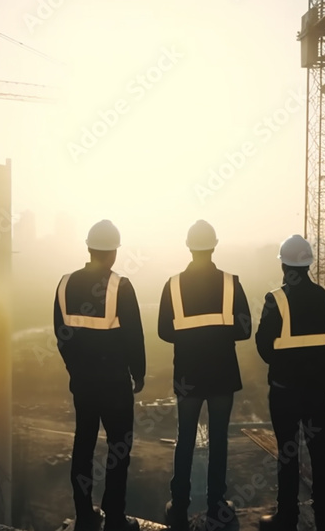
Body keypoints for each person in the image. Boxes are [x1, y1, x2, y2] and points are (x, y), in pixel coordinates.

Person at [158, 220, 251, 529]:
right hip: (222, 372)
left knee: (184, 437)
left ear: (189, 246)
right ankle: (216, 504)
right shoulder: (230, 282)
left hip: (188, 372)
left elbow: (164, 331)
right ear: (214, 245)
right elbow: (245, 329)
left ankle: (179, 506)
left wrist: (191, 339)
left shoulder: (172, 285)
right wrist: (217, 335)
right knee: (219, 438)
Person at [54, 220, 145, 531]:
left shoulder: (64, 284)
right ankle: (115, 517)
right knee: (119, 448)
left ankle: (84, 514)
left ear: (89, 248)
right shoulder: (121, 287)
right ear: (114, 253)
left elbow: (61, 336)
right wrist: (139, 373)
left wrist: (75, 369)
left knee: (83, 446)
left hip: (83, 385)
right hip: (116, 384)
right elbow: (135, 336)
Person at [255, 235, 325, 531]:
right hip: (317, 390)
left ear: (284, 265)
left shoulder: (276, 299)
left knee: (288, 453)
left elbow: (264, 346)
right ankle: (324, 518)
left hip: (285, 391)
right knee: (320, 451)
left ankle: (287, 517)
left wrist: (286, 364)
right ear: (309, 263)